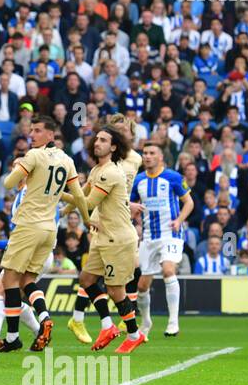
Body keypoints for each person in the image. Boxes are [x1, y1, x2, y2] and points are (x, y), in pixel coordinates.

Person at [0, 115, 90, 353]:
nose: (31, 134)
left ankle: (12, 337)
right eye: (31, 130)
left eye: (37, 130)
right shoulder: (67, 160)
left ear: (50, 135)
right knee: (27, 281)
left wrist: (18, 168)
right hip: (49, 232)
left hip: (28, 227)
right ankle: (44, 318)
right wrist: (87, 219)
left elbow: (9, 183)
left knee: (10, 283)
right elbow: (79, 196)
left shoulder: (33, 156)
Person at [79, 125, 145, 354]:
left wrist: (57, 193)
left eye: (103, 140)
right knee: (86, 279)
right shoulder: (98, 170)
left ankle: (135, 334)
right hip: (104, 236)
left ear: (114, 147)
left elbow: (87, 203)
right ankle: (107, 326)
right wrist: (58, 211)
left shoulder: (110, 172)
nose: (97, 142)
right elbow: (81, 195)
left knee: (115, 290)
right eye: (96, 139)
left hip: (118, 238)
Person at [131, 139, 193, 338]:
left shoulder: (173, 177)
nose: (147, 156)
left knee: (168, 270)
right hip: (149, 236)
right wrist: (132, 211)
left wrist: (179, 220)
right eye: (145, 153)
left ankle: (173, 321)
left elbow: (189, 203)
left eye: (151, 153)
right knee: (141, 285)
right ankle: (146, 321)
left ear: (160, 157)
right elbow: (131, 205)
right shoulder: (138, 180)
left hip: (171, 234)